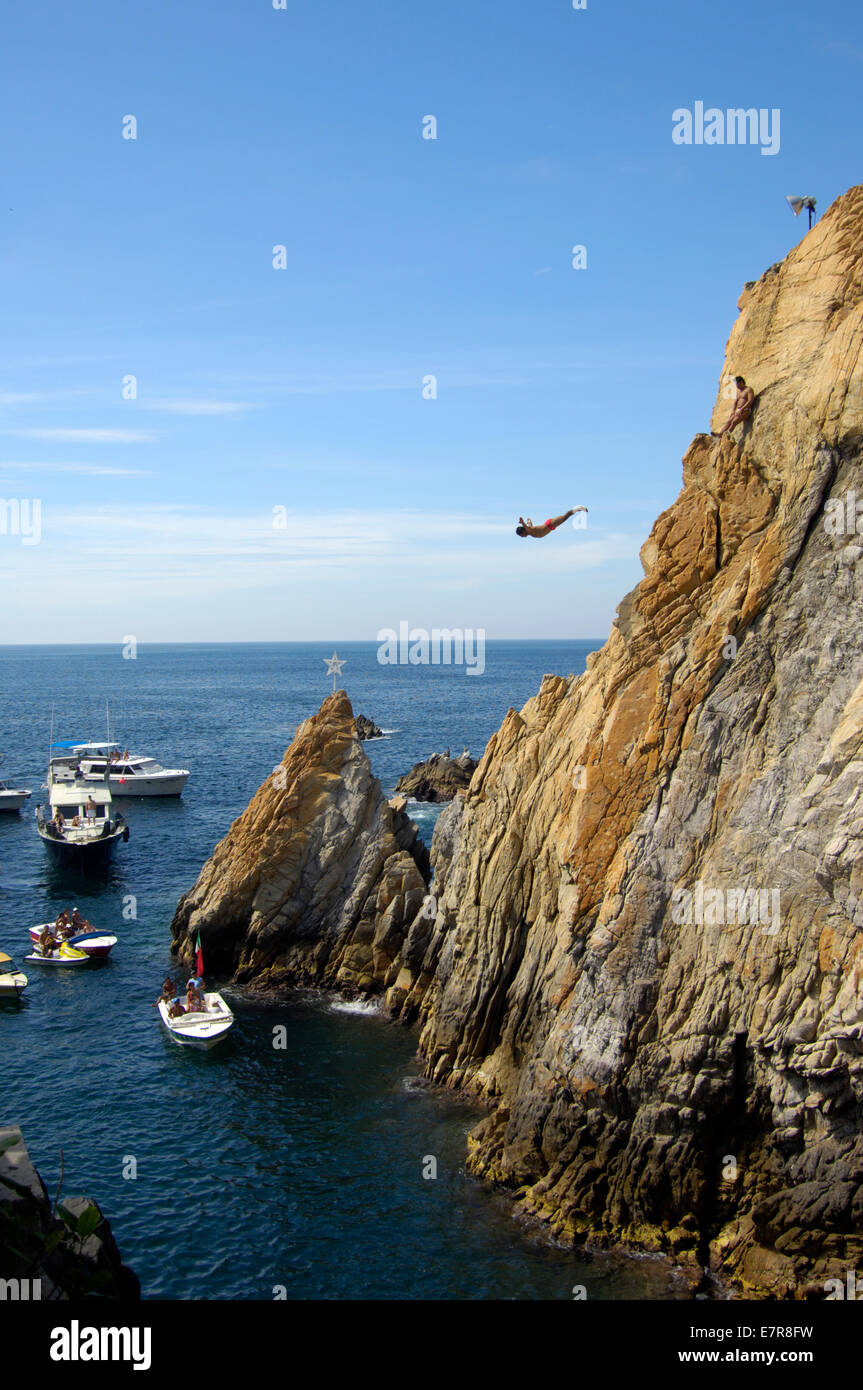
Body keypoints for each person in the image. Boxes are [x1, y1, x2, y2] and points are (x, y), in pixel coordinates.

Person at [516, 506, 588, 539]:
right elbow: (529, 524)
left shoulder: (528, 530)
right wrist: (528, 520)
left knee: (565, 517)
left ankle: (577, 508)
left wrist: (522, 522)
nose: (522, 537)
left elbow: (526, 526)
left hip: (549, 524)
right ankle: (576, 509)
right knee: (565, 517)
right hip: (551, 527)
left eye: (521, 535)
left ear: (523, 531)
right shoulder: (530, 530)